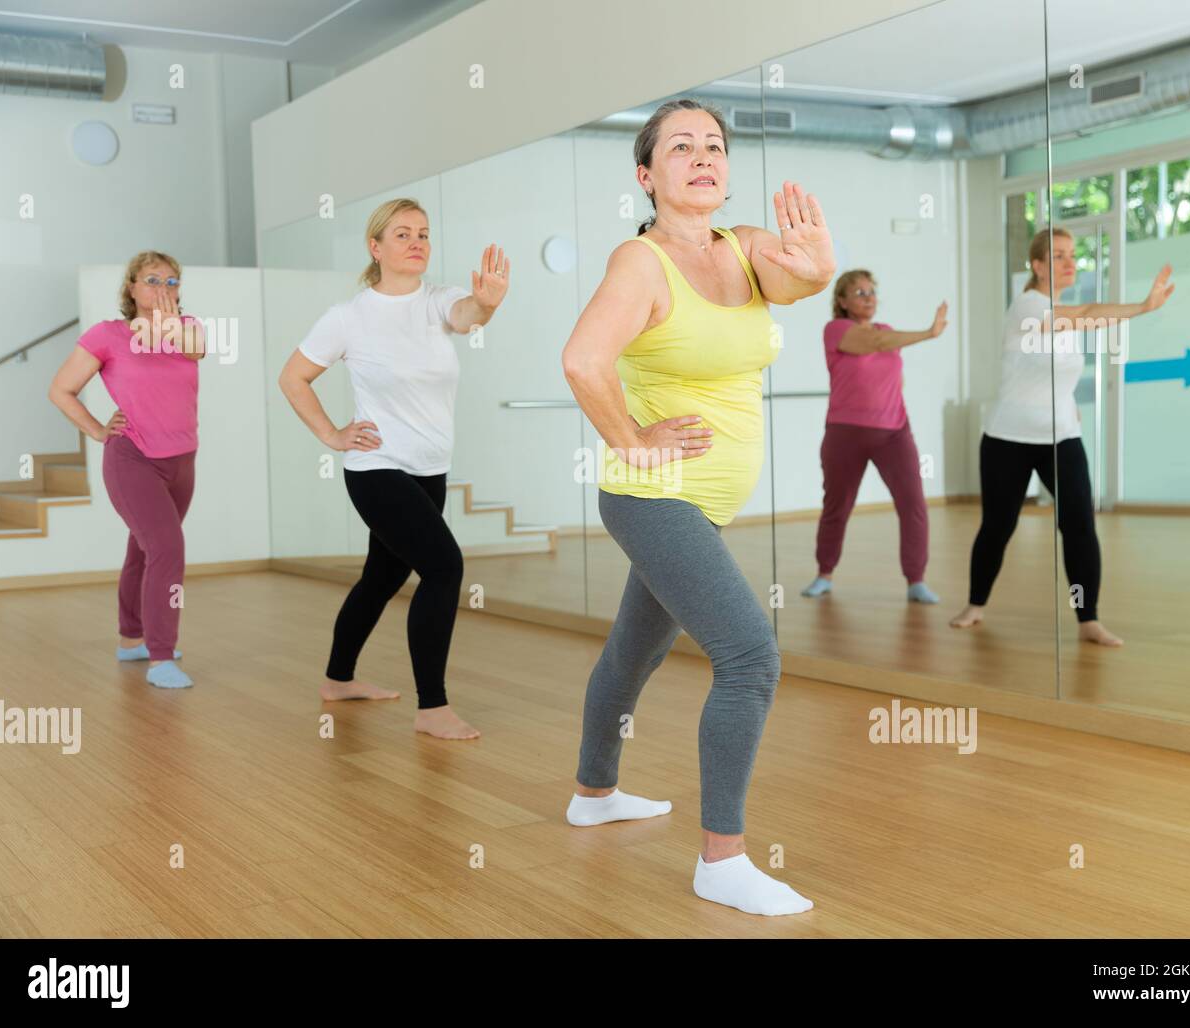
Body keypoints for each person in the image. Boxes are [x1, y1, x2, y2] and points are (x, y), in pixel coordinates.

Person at [561, 99, 835, 916]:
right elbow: (582, 360)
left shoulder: (745, 247)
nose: (702, 155)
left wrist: (821, 263)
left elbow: (800, 285)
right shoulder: (640, 263)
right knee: (750, 656)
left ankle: (594, 792)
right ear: (647, 176)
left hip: (704, 502)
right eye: (680, 146)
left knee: (631, 654)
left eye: (713, 144)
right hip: (654, 498)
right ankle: (722, 860)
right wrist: (633, 436)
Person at [278, 198, 508, 738]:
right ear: (375, 247)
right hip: (375, 467)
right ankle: (433, 707)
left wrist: (487, 303)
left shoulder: (439, 300)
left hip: (430, 469)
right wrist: (332, 435)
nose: (416, 242)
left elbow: (466, 315)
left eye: (424, 233)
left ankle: (338, 679)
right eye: (402, 234)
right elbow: (293, 378)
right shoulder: (348, 317)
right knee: (444, 567)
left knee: (382, 576)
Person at [950, 227, 1174, 646]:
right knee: (998, 526)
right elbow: (1086, 313)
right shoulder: (1027, 307)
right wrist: (1142, 307)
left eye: (1072, 255)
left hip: (1061, 438)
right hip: (1007, 439)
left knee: (1079, 526)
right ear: (1036, 266)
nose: (1070, 263)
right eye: (1057, 256)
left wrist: (1068, 408)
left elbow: (1060, 370)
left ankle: (1088, 619)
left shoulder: (1058, 311)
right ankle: (975, 604)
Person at [49, 251, 205, 688]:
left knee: (144, 549)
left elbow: (198, 352)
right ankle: (160, 658)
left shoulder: (188, 329)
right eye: (152, 280)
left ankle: (131, 639)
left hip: (182, 459)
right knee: (167, 549)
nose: (163, 289)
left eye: (172, 281)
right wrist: (99, 430)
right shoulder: (107, 336)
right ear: (131, 287)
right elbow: (61, 390)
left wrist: (169, 326)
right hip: (133, 458)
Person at [801, 268, 947, 603]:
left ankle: (916, 580)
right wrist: (928, 332)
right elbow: (875, 343)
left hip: (894, 432)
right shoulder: (836, 330)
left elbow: (894, 376)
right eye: (860, 293)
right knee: (837, 505)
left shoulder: (888, 331)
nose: (869, 298)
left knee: (913, 504)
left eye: (872, 291)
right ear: (842, 302)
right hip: (845, 433)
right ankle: (824, 573)